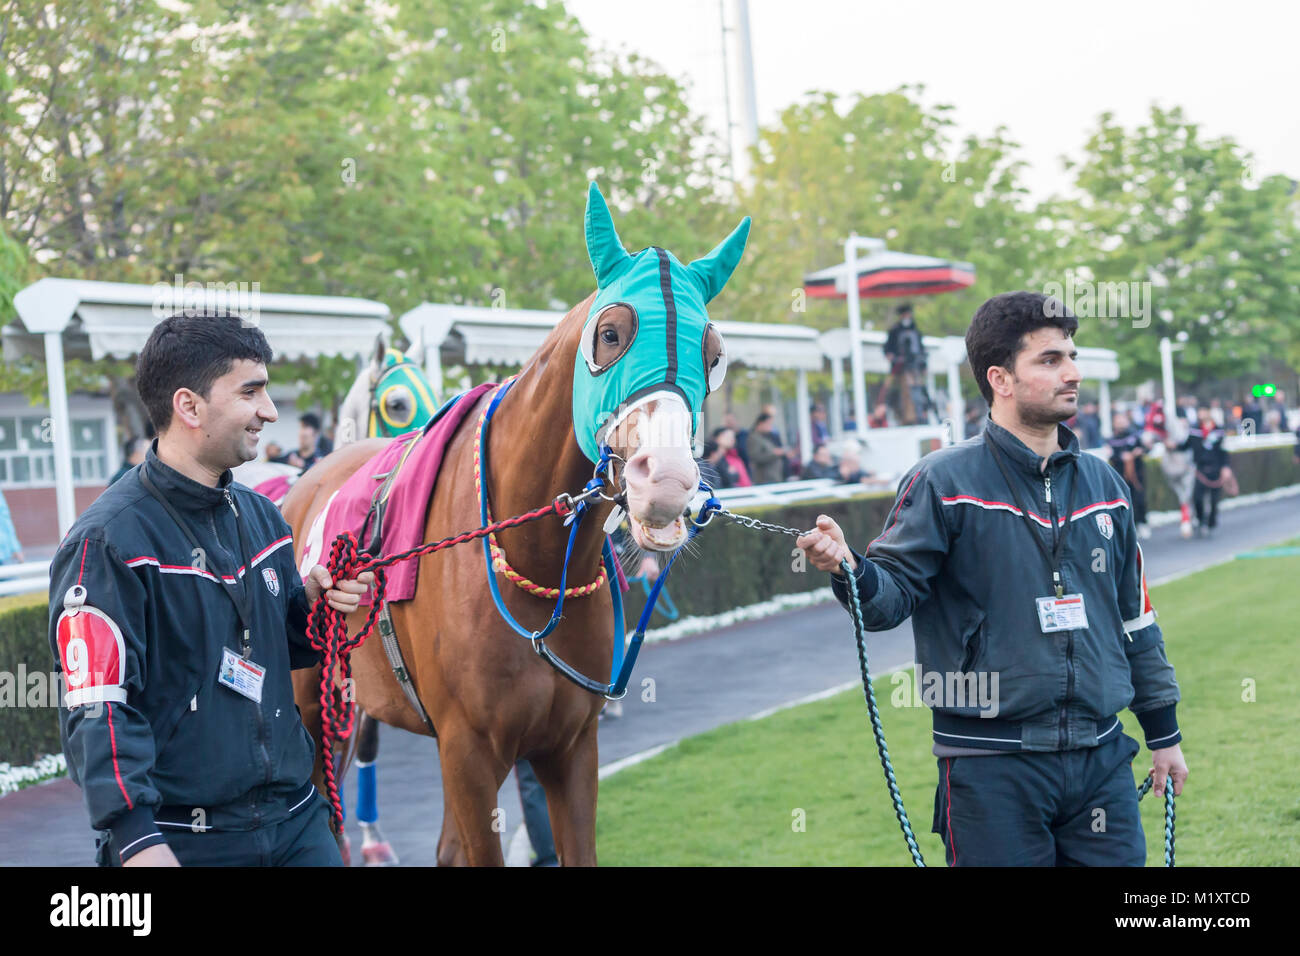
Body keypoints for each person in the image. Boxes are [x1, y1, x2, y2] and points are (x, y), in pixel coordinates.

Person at [796, 291, 1186, 867]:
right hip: (989, 765)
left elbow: (1137, 620)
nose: (1072, 373)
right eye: (1050, 360)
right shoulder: (942, 480)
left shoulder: (1106, 485)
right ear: (1000, 378)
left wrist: (1163, 733)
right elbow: (888, 602)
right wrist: (849, 568)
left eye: (1071, 356)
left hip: (1102, 757)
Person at [48, 310, 375, 867]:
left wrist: (318, 606)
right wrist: (135, 839)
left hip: (299, 823)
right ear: (189, 406)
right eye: (251, 392)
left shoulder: (264, 519)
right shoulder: (106, 542)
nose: (268, 412)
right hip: (184, 842)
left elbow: (281, 646)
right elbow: (96, 708)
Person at [1169, 406, 1230, 537]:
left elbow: (1224, 451)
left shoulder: (1218, 430)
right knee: (1197, 497)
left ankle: (1211, 522)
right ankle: (1201, 520)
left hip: (1216, 469)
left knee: (1214, 500)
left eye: (1204, 412)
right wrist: (1173, 447)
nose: (1201, 415)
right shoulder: (1195, 430)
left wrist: (1225, 467)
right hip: (1200, 470)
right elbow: (1186, 445)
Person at [882, 303, 930, 425]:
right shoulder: (894, 331)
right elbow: (888, 350)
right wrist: (894, 358)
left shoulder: (916, 331)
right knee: (906, 392)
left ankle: (921, 414)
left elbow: (921, 349)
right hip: (901, 368)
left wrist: (923, 365)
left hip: (916, 366)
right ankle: (909, 417)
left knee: (918, 391)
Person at [1106, 410, 1150, 539]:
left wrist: (1138, 452)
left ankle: (1142, 523)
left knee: (1140, 499)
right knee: (1124, 501)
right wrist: (1121, 457)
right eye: (1118, 421)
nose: (1120, 423)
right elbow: (1111, 456)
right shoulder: (1111, 440)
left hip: (1137, 473)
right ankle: (1130, 526)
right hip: (1120, 475)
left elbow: (1145, 449)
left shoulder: (1135, 436)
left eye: (1122, 420)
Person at [745, 413, 785, 485]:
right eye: (769, 424)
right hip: (765, 479)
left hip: (772, 478)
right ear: (761, 423)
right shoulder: (753, 438)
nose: (771, 427)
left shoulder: (764, 437)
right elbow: (755, 457)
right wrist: (774, 453)